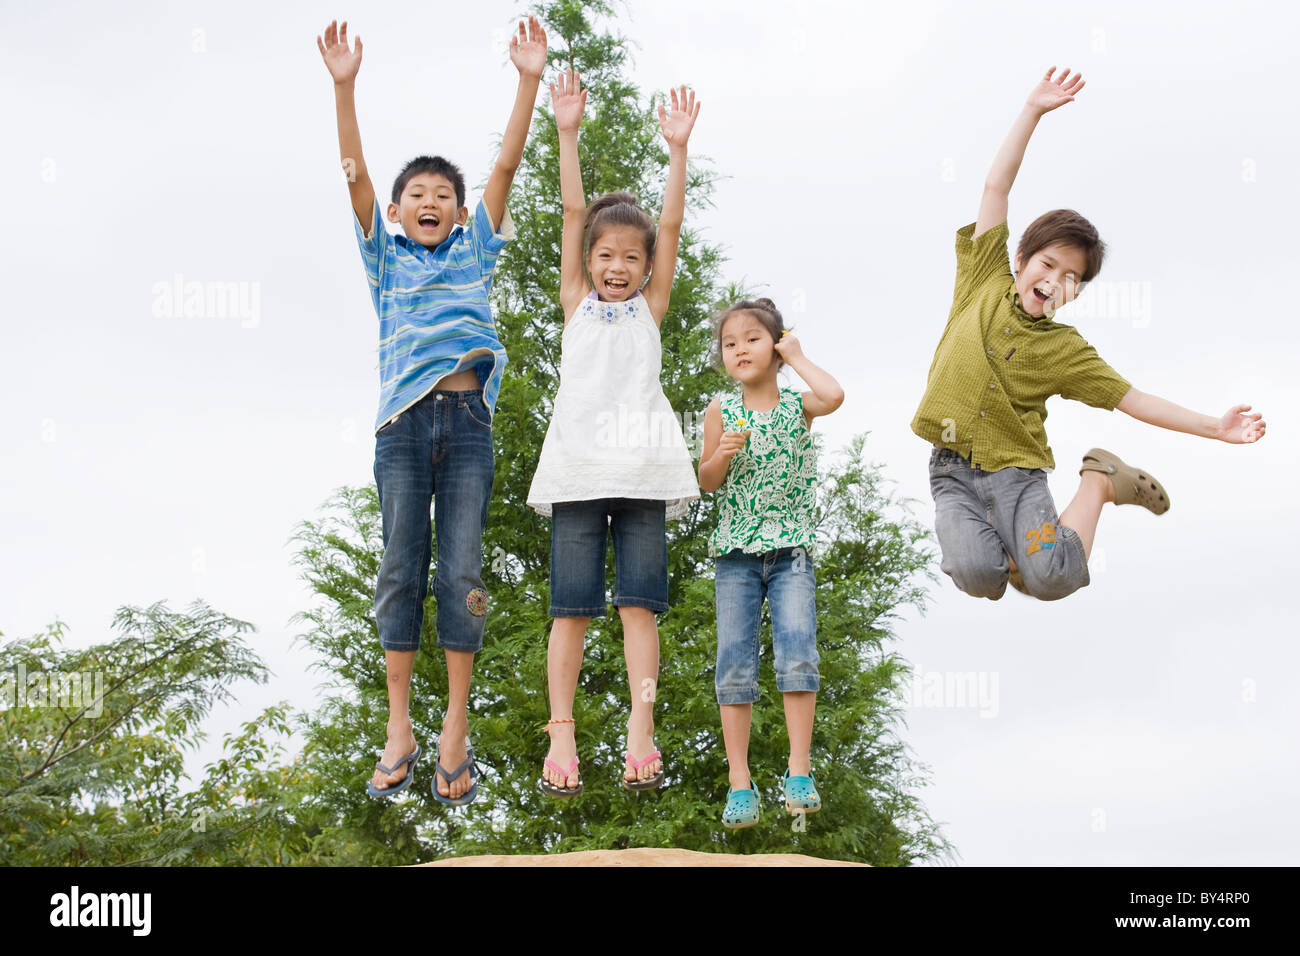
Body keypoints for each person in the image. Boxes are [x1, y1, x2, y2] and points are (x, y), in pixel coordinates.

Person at [911, 66, 1266, 602]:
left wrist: (1215, 428)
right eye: (1047, 266)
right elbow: (996, 185)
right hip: (953, 473)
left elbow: (1135, 399)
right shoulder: (983, 277)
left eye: (1069, 279)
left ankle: (1098, 479)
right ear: (1021, 259)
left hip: (1018, 480)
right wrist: (1030, 111)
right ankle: (1022, 559)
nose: (1052, 283)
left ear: (1077, 292)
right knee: (977, 575)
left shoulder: (1064, 352)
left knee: (1052, 578)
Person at [316, 17, 547, 803]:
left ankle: (455, 724)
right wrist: (345, 87)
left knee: (464, 574)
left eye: (442, 195)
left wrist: (527, 82)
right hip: (402, 431)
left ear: (457, 213)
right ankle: (398, 726)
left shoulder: (473, 247)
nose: (430, 201)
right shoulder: (382, 257)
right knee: (397, 572)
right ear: (398, 208)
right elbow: (354, 176)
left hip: (469, 425)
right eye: (416, 194)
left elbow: (508, 164)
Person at [528, 70, 701, 797]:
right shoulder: (575, 301)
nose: (618, 266)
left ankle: (641, 725)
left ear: (647, 268)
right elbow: (574, 209)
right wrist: (566, 132)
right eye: (606, 256)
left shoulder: (648, 310)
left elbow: (670, 225)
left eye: (631, 258)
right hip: (576, 472)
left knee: (639, 607)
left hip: (642, 475)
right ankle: (560, 736)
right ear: (588, 263)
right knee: (570, 609)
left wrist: (679, 154)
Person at [697, 299, 844, 828]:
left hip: (791, 554)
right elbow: (706, 479)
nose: (739, 348)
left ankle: (798, 771)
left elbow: (835, 395)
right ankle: (741, 785)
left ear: (777, 347)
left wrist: (797, 355)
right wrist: (722, 455)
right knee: (734, 664)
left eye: (754, 338)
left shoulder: (796, 405)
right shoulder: (721, 409)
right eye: (730, 342)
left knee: (798, 653)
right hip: (735, 557)